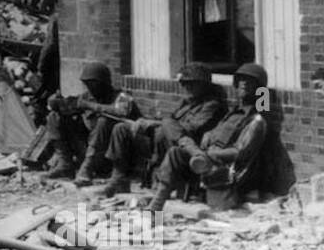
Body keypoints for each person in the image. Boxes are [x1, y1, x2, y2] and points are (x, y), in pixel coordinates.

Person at [149, 62, 280, 211]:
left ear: (259, 88)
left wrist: (210, 155)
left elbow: (240, 153)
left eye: (249, 81)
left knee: (175, 137)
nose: (243, 84)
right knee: (175, 150)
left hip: (222, 168)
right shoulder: (231, 114)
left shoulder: (256, 120)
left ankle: (195, 155)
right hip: (203, 159)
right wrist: (205, 143)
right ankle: (156, 204)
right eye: (241, 80)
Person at [97, 62, 226, 197]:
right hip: (162, 142)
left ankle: (162, 180)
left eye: (191, 83)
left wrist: (154, 123)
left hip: (184, 148)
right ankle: (118, 178)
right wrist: (144, 123)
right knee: (121, 128)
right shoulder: (187, 103)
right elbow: (168, 122)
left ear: (204, 84)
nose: (186, 87)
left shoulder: (212, 105)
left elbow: (191, 128)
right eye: (184, 83)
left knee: (164, 127)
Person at [43, 61, 140, 183]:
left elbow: (122, 111)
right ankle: (65, 164)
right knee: (54, 116)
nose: (90, 87)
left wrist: (90, 106)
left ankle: (87, 168)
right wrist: (55, 103)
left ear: (103, 82)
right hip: (87, 147)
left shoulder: (120, 96)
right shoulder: (86, 97)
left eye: (93, 84)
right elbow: (67, 108)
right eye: (87, 84)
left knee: (103, 121)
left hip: (110, 155)